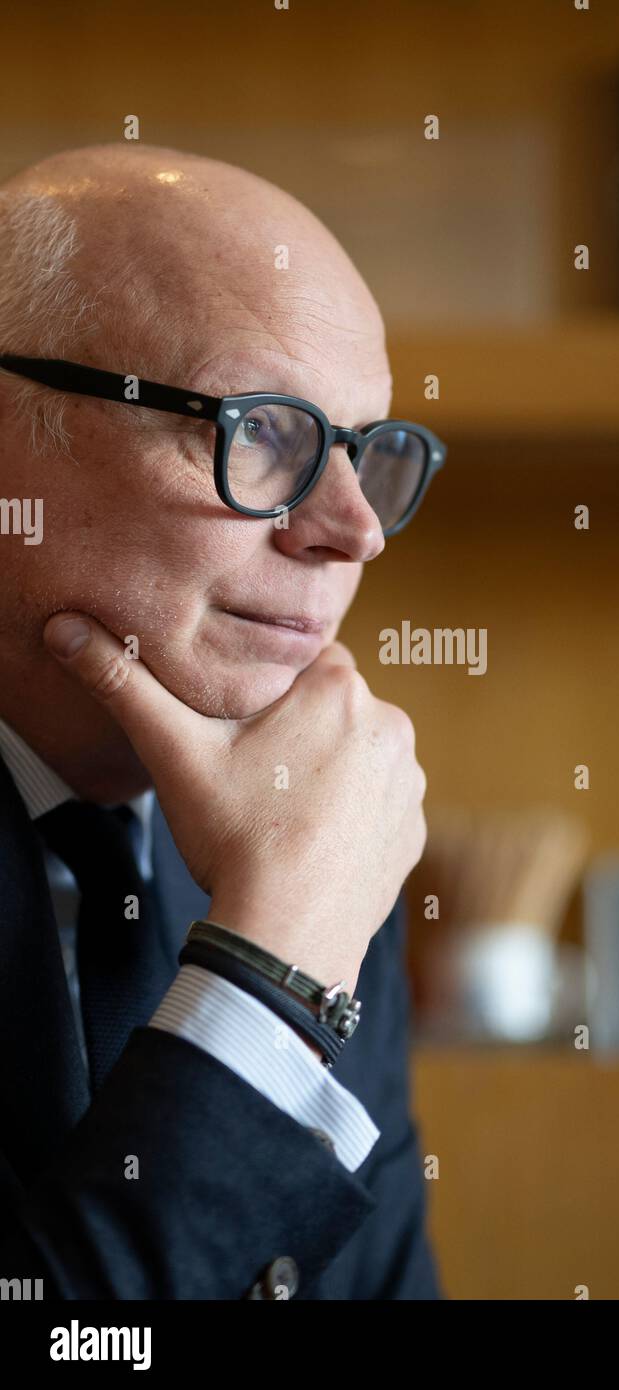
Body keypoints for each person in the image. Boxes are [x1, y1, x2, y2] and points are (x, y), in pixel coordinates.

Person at [0, 143, 444, 1299]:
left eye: (367, 452)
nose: (352, 528)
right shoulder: (301, 899)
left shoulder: (323, 834)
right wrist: (266, 981)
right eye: (260, 429)